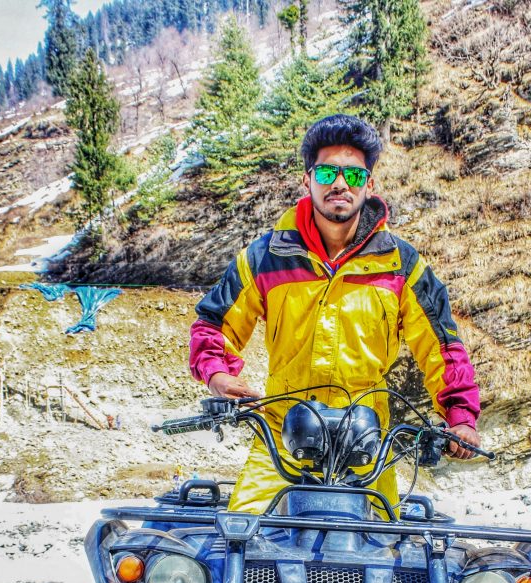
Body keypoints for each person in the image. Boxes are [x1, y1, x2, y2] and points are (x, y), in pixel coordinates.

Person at [189, 114, 481, 514]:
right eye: (327, 172)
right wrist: (218, 374)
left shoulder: (400, 264)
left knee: (384, 553)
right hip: (281, 434)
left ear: (369, 184)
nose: (340, 184)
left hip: (368, 442)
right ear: (307, 180)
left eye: (354, 175)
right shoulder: (264, 257)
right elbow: (213, 323)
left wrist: (460, 417)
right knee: (244, 539)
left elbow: (442, 345)